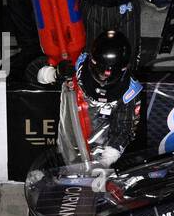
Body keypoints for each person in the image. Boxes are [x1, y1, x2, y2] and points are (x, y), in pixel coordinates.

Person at [54, 30, 144, 168]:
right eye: (101, 71)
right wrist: (54, 73)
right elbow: (36, 74)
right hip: (68, 146)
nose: (103, 76)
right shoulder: (75, 64)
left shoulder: (130, 91)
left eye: (108, 73)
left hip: (103, 156)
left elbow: (124, 128)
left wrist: (106, 161)